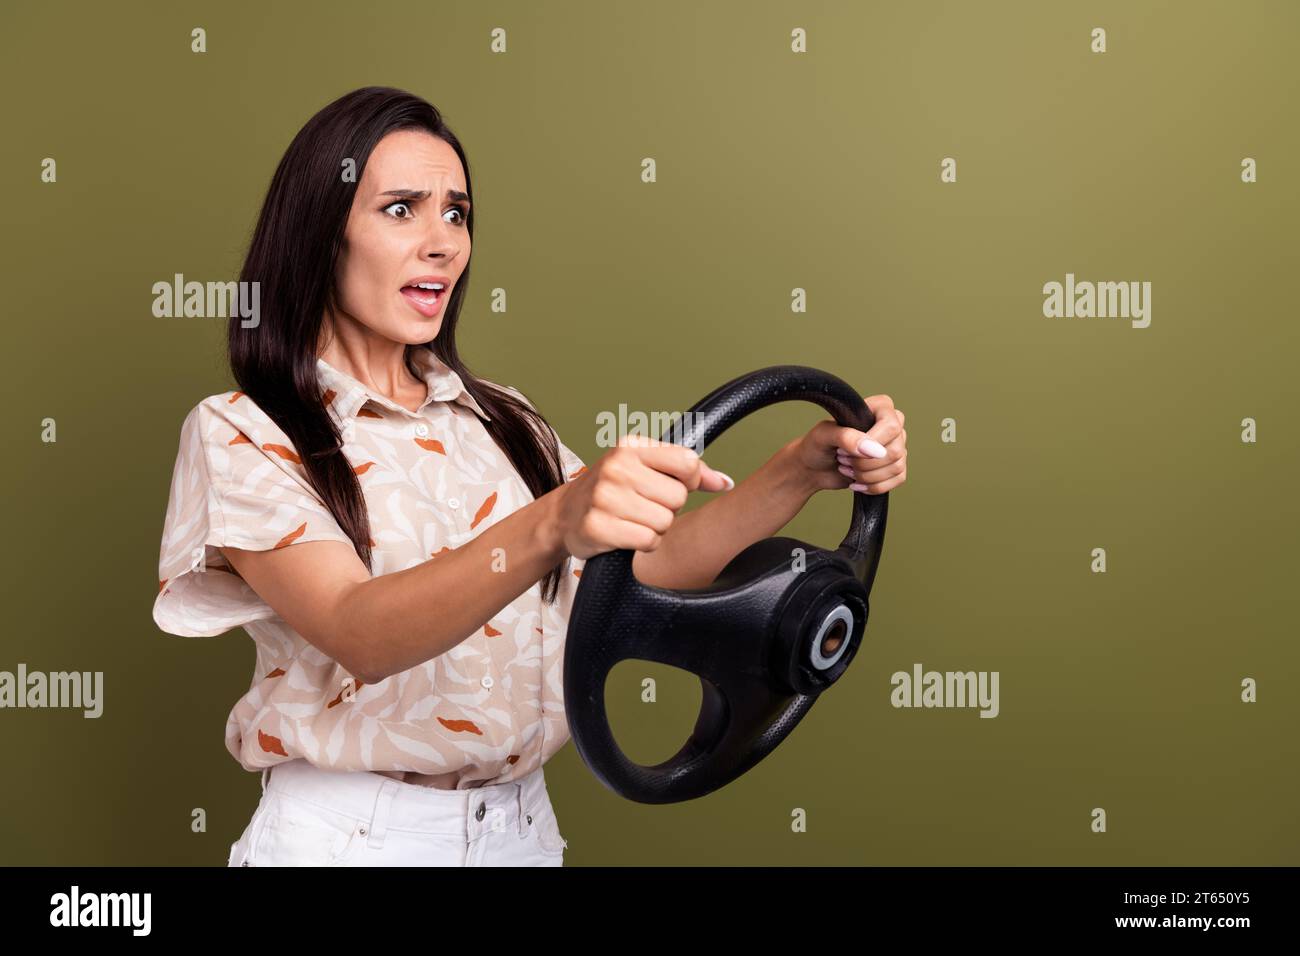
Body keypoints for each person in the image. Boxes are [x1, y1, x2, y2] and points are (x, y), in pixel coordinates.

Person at [152, 86, 909, 867]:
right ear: (320, 235)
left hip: (519, 832)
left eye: (456, 212)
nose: (443, 241)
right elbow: (360, 631)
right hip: (351, 840)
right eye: (401, 208)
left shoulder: (500, 416)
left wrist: (799, 469)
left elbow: (638, 571)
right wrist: (554, 520)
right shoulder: (245, 431)